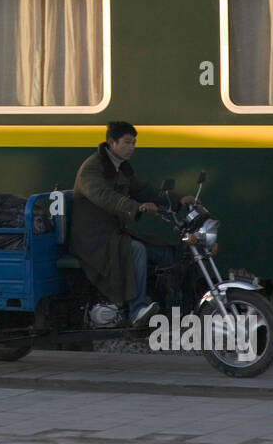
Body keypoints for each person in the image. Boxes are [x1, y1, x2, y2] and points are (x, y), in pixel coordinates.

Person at [71, 122, 194, 328]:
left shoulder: (121, 168)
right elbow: (105, 196)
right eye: (127, 142)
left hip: (112, 234)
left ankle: (172, 308)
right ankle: (136, 310)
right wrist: (137, 208)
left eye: (134, 143)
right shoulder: (92, 168)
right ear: (112, 142)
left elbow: (144, 190)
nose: (132, 147)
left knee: (166, 252)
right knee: (136, 250)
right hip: (93, 239)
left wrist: (179, 200)